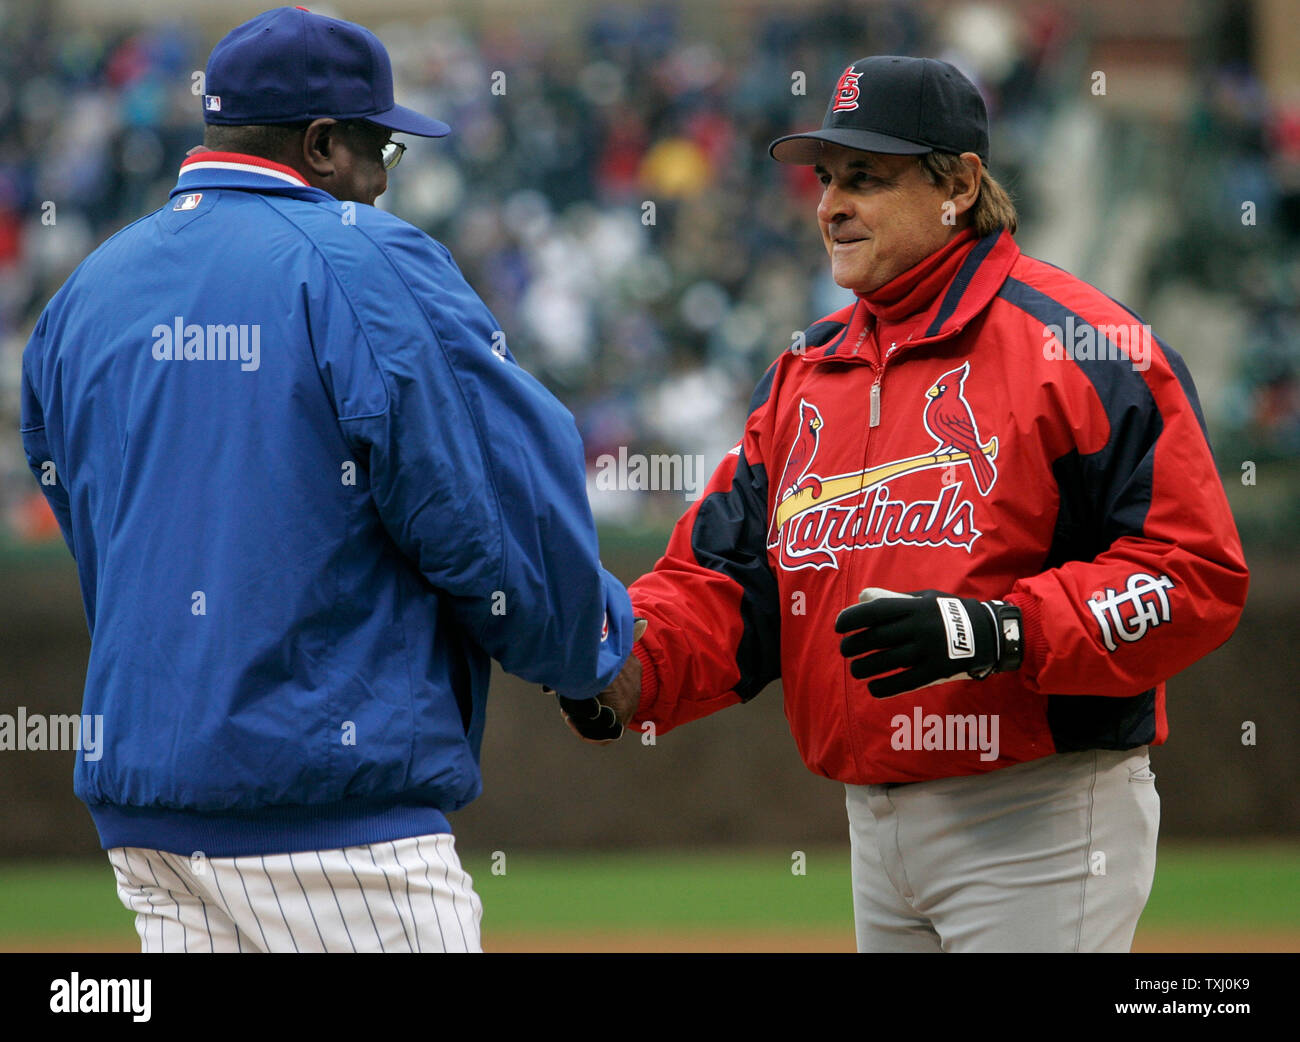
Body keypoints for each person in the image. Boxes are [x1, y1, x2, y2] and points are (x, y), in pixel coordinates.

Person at [576, 56, 1250, 952]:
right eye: (826, 178)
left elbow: (1192, 575)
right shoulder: (806, 374)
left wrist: (1000, 631)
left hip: (1037, 814)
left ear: (958, 184)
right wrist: (630, 663)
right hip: (873, 823)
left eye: (867, 176)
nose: (831, 205)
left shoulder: (1083, 345)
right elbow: (727, 580)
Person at [19, 6, 633, 953]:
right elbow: (488, 509)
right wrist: (586, 649)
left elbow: (93, 519)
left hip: (149, 827)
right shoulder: (362, 259)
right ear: (320, 143)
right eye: (377, 147)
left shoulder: (84, 294)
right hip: (334, 829)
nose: (384, 179)